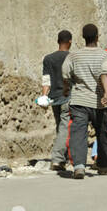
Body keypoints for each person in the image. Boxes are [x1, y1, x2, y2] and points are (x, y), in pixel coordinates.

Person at [61, 24, 107, 178]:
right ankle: (104, 164)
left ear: (83, 37)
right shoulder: (105, 55)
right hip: (99, 102)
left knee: (78, 133)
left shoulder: (73, 56)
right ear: (98, 37)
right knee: (102, 132)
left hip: (79, 101)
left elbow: (65, 74)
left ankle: (78, 166)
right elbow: (104, 73)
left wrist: (66, 89)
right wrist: (106, 93)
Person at [42, 30, 72, 170]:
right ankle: (57, 158)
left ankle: (63, 159)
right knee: (65, 127)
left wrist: (44, 96)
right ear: (70, 42)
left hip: (53, 98)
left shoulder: (48, 59)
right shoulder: (72, 58)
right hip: (67, 97)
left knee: (60, 126)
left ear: (58, 41)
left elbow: (46, 80)